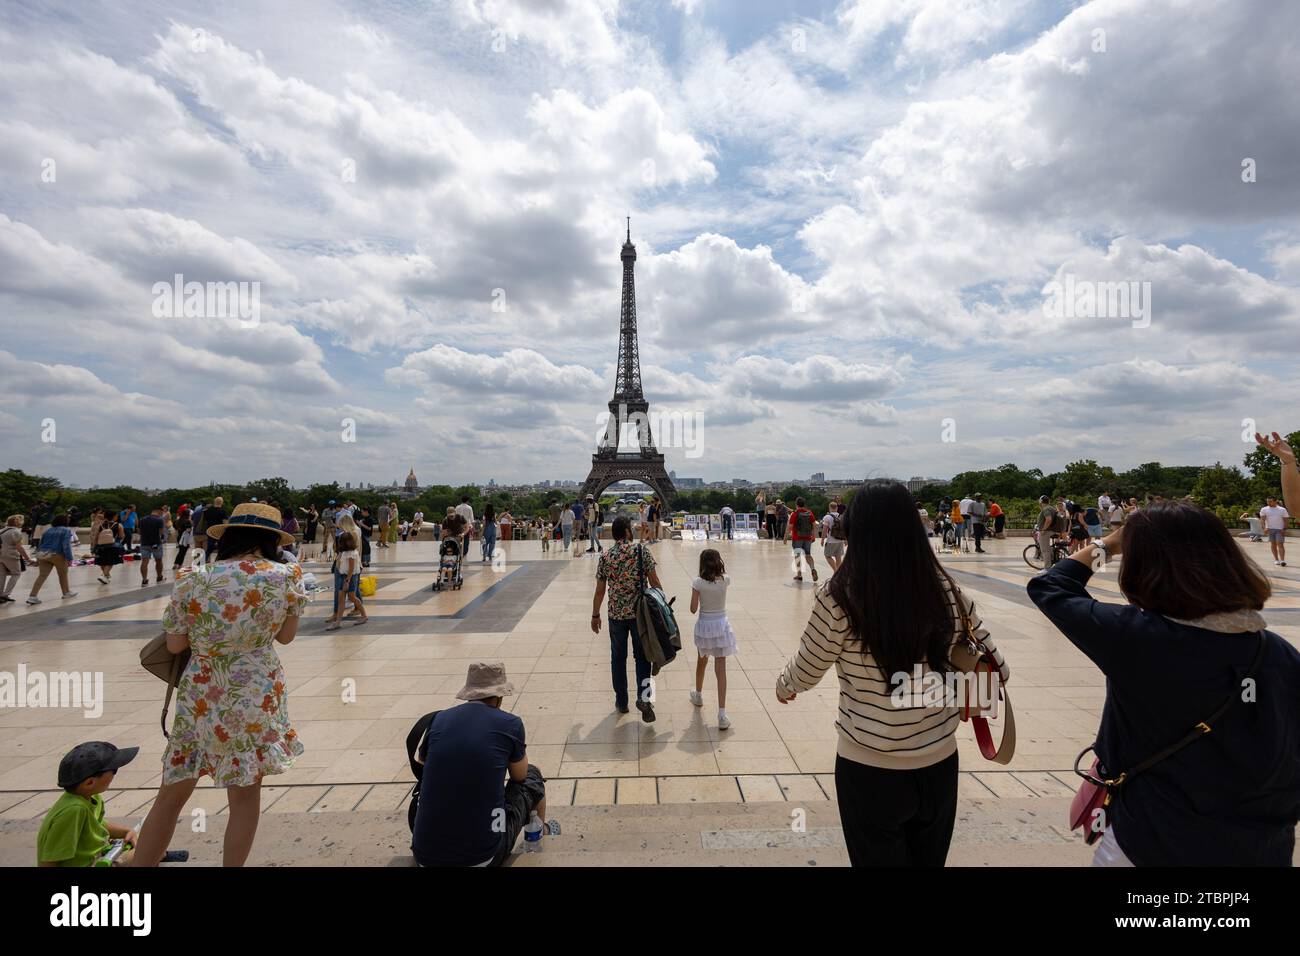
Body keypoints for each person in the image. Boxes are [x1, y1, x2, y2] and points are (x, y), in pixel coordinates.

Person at [1026, 502, 1300, 866]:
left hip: (1154, 836)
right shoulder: (1276, 652)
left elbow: (1052, 585)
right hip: (1260, 845)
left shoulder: (1137, 638)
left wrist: (1110, 543)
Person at [776, 481, 1009, 867]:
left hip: (869, 766)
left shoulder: (840, 597)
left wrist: (784, 685)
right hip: (938, 763)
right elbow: (997, 668)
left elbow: (806, 670)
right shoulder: (947, 591)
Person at [132, 502, 307, 868]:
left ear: (228, 536)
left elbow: (177, 645)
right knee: (244, 799)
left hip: (201, 690)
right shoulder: (286, 576)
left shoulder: (192, 578)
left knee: (171, 793)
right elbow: (287, 637)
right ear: (272, 540)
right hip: (255, 692)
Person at [409, 662, 547, 867]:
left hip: (425, 855)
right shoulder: (510, 723)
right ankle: (541, 832)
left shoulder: (439, 719)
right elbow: (520, 776)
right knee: (533, 776)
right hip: (484, 856)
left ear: (469, 694)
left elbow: (424, 763)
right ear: (499, 697)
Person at [592, 515, 664, 722]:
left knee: (618, 658)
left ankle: (621, 701)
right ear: (626, 532)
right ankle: (644, 699)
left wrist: (595, 615)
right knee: (642, 658)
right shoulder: (641, 551)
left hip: (616, 614)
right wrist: (662, 606)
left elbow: (599, 591)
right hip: (641, 615)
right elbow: (655, 581)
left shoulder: (606, 557)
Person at [38, 743, 146, 867]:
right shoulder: (73, 811)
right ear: (89, 782)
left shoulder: (91, 797)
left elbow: (97, 826)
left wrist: (126, 831)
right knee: (152, 850)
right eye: (114, 770)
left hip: (101, 857)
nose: (115, 773)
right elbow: (49, 861)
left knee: (149, 847)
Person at [689, 549, 737, 730]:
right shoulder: (726, 580)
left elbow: (693, 609)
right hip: (721, 626)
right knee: (721, 669)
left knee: (701, 662)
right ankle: (722, 714)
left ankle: (698, 694)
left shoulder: (698, 583)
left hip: (704, 626)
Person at [25, 513, 79, 604]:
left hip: (43, 555)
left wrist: (38, 558)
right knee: (63, 575)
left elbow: (40, 544)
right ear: (65, 521)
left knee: (42, 576)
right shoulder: (66, 530)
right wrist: (70, 558)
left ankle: (32, 596)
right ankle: (66, 592)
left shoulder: (48, 530)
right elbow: (66, 545)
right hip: (57, 554)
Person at [328, 531, 367, 630]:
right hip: (343, 575)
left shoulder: (352, 553)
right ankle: (338, 622)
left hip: (350, 577)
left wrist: (347, 581)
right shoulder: (344, 552)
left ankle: (364, 615)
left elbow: (351, 568)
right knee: (341, 599)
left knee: (352, 597)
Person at [1, 514, 32, 603]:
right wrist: (27, 558)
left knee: (1, 575)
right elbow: (19, 547)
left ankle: (0, 595)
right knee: (16, 573)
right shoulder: (16, 532)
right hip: (11, 555)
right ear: (18, 523)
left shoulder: (1, 530)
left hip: (0, 555)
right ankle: (6, 594)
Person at [787, 497, 819, 583]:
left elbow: (790, 527)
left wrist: (786, 537)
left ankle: (799, 575)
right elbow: (814, 525)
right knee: (808, 555)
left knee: (797, 556)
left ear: (796, 504)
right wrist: (814, 536)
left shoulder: (795, 514)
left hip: (797, 538)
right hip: (808, 537)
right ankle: (813, 569)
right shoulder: (809, 513)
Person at [137, 505, 167, 587]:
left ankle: (144, 580)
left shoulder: (142, 519)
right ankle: (159, 577)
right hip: (156, 543)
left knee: (144, 561)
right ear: (159, 511)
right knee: (158, 560)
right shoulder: (159, 520)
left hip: (144, 543)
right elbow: (161, 532)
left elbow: (139, 531)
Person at [1259, 495, 1289, 567]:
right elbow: (1262, 519)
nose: (1268, 503)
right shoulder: (1264, 509)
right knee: (1273, 545)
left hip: (1279, 529)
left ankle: (1282, 560)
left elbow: (1286, 520)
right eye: (1267, 501)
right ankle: (1276, 560)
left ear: (1275, 501)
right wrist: (1264, 528)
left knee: (1280, 544)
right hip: (1270, 529)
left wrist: (1284, 529)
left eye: (1270, 501)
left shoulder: (1282, 509)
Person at [1035, 494, 1059, 566]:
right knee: (1047, 548)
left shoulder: (1046, 509)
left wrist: (1043, 530)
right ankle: (1052, 560)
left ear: (1041, 501)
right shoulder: (1052, 508)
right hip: (1052, 530)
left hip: (1046, 531)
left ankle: (1047, 567)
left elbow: (1048, 520)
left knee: (1045, 550)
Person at [822, 502, 847, 571]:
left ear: (829, 508)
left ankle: (835, 571)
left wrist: (822, 539)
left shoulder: (827, 517)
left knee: (827, 556)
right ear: (837, 508)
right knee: (838, 557)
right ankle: (838, 574)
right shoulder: (841, 517)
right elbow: (845, 529)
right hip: (840, 540)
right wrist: (845, 540)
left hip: (831, 540)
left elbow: (824, 530)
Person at [171, 506, 194, 575]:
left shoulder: (177, 520)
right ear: (187, 515)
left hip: (179, 537)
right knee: (183, 552)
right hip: (185, 538)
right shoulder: (187, 521)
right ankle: (179, 564)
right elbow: (189, 530)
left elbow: (174, 526)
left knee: (180, 551)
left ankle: (175, 564)